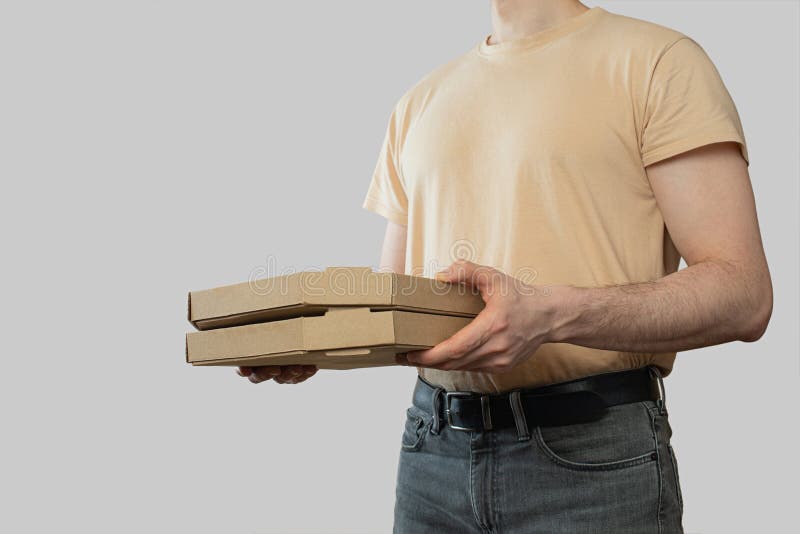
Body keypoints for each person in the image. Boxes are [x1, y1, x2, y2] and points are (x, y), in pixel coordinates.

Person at [239, 1, 772, 532]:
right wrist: (312, 343)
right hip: (431, 457)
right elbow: (396, 303)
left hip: (591, 461)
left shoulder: (660, 62)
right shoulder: (418, 101)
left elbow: (744, 296)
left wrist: (551, 314)